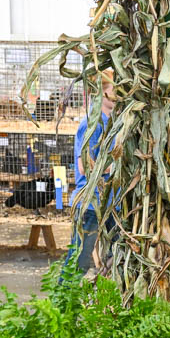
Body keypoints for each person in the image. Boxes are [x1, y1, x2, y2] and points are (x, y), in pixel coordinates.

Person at [69, 69, 116, 272]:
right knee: (79, 259)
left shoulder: (110, 123)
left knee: (118, 254)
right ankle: (62, 300)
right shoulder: (92, 123)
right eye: (116, 89)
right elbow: (84, 165)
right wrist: (114, 167)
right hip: (91, 203)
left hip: (110, 201)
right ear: (102, 93)